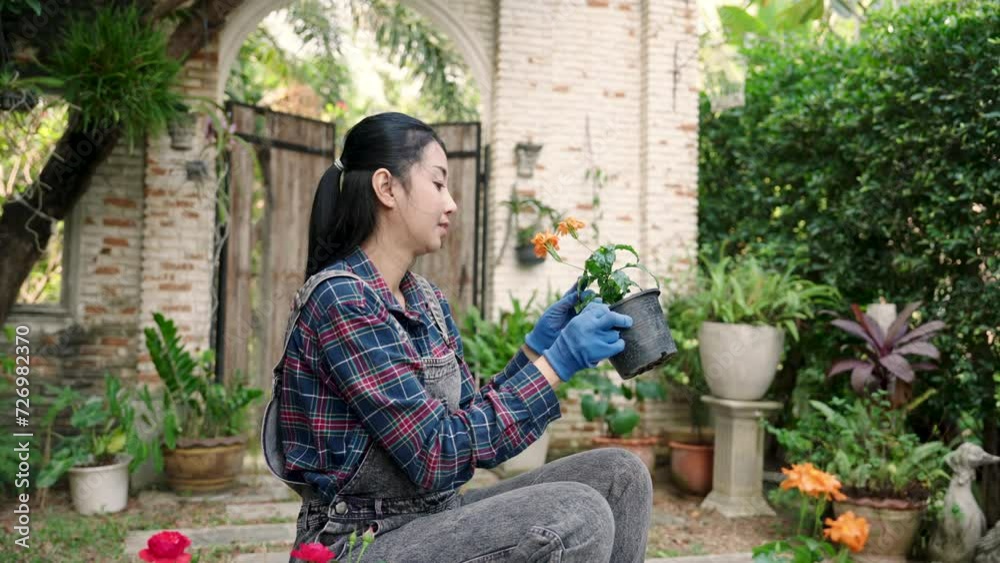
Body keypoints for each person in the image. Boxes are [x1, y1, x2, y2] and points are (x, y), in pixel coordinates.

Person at [261, 112, 652, 563]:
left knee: (620, 476)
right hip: (356, 542)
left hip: (431, 519)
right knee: (576, 514)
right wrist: (557, 364)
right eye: (438, 183)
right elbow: (437, 454)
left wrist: (536, 351)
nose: (451, 203)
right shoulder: (342, 302)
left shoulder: (424, 299)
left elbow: (466, 420)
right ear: (387, 188)